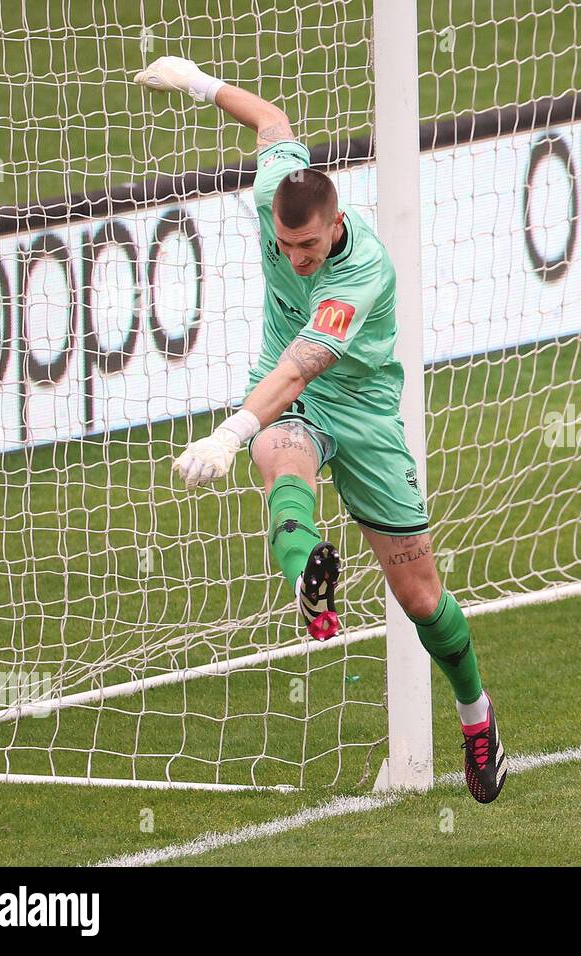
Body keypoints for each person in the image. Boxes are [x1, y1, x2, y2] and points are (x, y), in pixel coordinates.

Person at [134, 56, 506, 803]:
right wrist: (199, 82)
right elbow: (272, 122)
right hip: (290, 401)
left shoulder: (359, 272)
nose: (296, 259)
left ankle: (477, 716)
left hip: (360, 407)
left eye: (308, 248)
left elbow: (307, 364)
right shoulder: (279, 192)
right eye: (286, 246)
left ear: (335, 226)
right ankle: (312, 579)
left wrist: (228, 432)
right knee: (282, 456)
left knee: (421, 596)